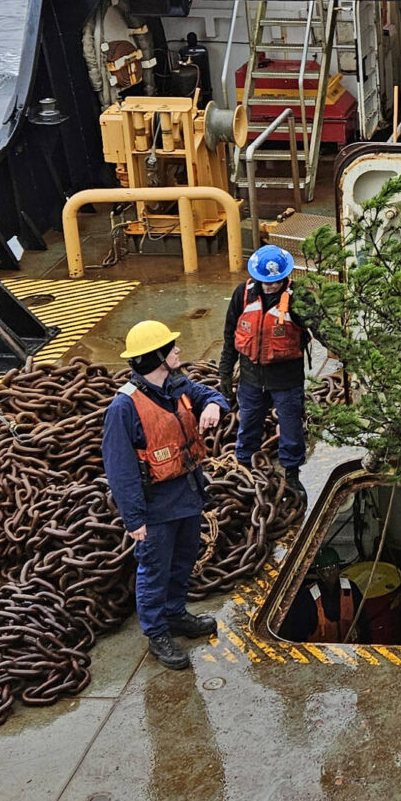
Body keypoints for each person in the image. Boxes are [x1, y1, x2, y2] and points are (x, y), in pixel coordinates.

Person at [102, 319, 228, 672]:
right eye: (171, 347)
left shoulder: (177, 385)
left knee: (183, 562)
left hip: (187, 496)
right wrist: (134, 519)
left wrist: (214, 405)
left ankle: (175, 614)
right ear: (156, 356)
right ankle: (157, 633)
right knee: (154, 571)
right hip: (156, 507)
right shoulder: (124, 408)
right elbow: (120, 469)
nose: (178, 350)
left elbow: (209, 395)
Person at [219, 244, 311, 489]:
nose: (271, 286)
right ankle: (243, 463)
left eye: (277, 282)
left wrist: (346, 352)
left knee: (291, 427)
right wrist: (225, 372)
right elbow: (230, 334)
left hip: (286, 379)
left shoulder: (299, 298)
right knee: (248, 422)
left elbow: (321, 328)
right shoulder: (243, 294)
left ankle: (292, 472)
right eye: (267, 282)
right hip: (252, 377)